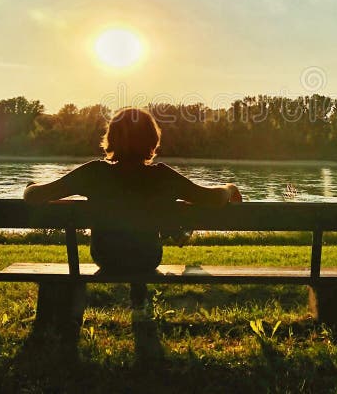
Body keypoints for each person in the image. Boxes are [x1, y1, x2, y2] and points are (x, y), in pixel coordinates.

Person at [23, 107, 242, 308]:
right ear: (152, 141)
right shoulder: (163, 176)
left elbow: (34, 196)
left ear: (112, 140)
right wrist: (229, 187)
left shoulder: (93, 173)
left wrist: (31, 186)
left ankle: (168, 246)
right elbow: (211, 198)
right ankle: (176, 236)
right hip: (146, 258)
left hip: (106, 257)